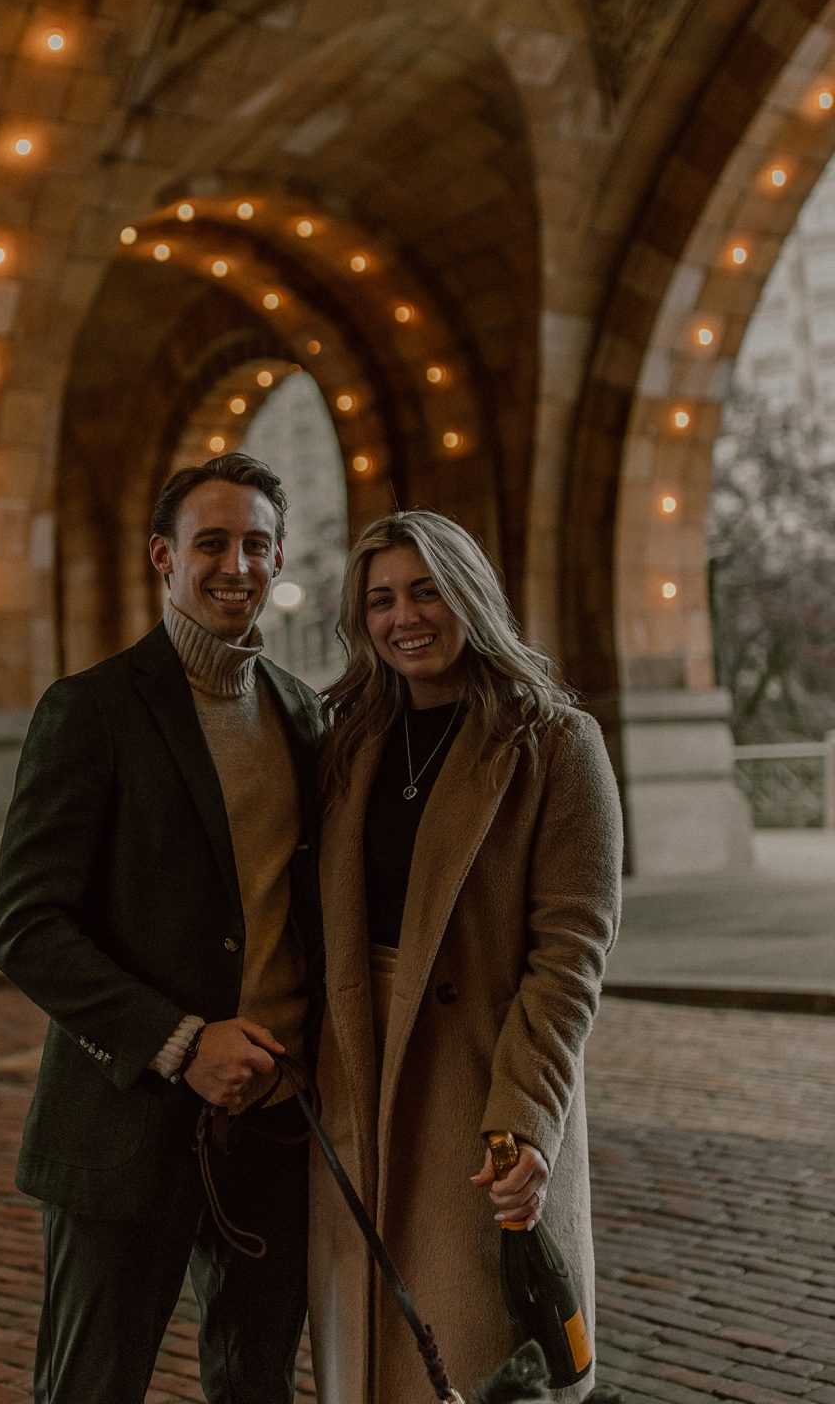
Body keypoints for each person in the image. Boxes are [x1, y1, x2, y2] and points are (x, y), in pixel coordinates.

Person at [0, 452, 323, 1404]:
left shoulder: (302, 715)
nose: (237, 564)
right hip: (124, 1124)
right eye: (211, 542)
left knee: (256, 1386)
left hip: (273, 1127)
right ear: (163, 558)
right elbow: (27, 926)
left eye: (257, 544)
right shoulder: (90, 710)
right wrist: (180, 1044)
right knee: (91, 1388)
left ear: (279, 557)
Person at [308, 509, 623, 1404]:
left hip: (480, 1090)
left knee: (471, 1349)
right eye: (380, 599)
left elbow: (570, 959)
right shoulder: (348, 740)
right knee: (363, 1352)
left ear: (471, 597)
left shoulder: (557, 745)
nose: (404, 616)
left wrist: (526, 1116)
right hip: (355, 1079)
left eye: (426, 590)